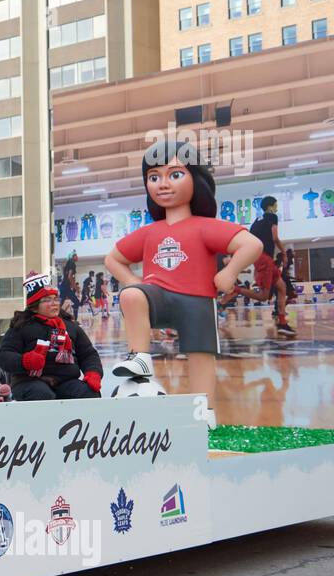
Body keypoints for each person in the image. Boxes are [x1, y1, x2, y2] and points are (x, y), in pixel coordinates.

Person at [104, 139, 262, 424]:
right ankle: (140, 358)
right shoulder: (149, 232)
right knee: (130, 296)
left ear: (196, 180)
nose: (163, 184)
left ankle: (204, 414)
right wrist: (131, 281)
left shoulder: (205, 226)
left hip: (197, 301)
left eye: (174, 174)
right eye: (154, 177)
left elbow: (252, 244)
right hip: (158, 296)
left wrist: (230, 271)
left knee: (201, 356)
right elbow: (113, 259)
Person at [0, 273, 102, 401]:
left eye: (56, 299)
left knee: (89, 393)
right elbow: (4, 355)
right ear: (34, 307)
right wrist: (25, 361)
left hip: (66, 381)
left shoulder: (71, 326)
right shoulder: (21, 326)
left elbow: (88, 354)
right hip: (29, 381)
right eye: (47, 300)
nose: (54, 303)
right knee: (42, 394)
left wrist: (93, 372)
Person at [220, 196, 296, 337]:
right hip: (264, 259)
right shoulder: (272, 217)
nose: (277, 207)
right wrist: (284, 253)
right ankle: (236, 290)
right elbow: (274, 237)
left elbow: (250, 241)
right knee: (263, 296)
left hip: (262, 258)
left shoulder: (256, 222)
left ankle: (282, 323)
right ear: (271, 206)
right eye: (276, 204)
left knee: (282, 287)